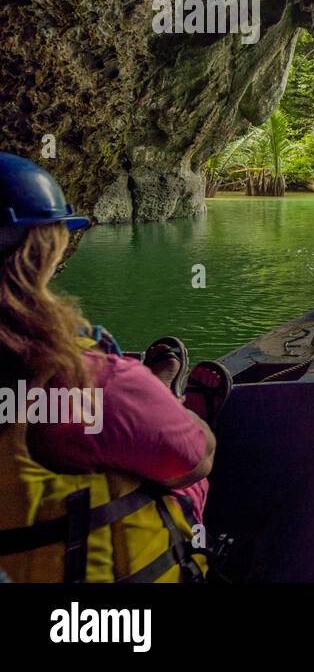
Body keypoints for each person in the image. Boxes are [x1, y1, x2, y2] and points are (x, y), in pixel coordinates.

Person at [0, 153, 219, 582]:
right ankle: (177, 402)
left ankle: (157, 394)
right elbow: (196, 460)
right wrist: (197, 428)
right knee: (184, 460)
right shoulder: (81, 380)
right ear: (46, 251)